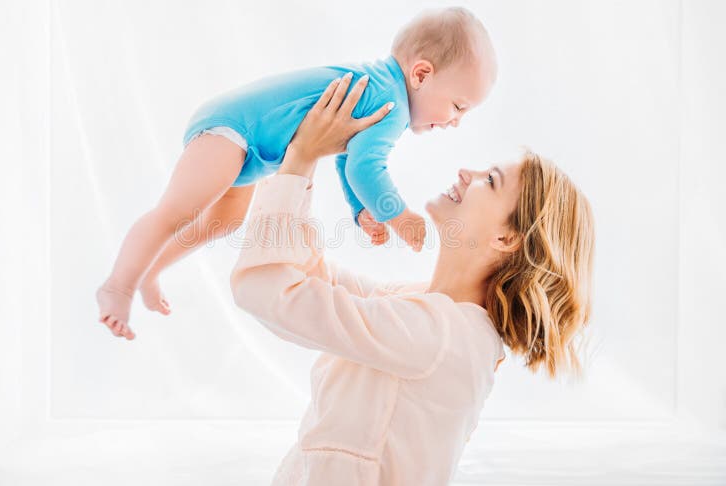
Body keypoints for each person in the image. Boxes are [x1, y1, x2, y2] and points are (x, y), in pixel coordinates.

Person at [229, 75, 595, 485]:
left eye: (490, 181)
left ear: (506, 238)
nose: (465, 173)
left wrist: (298, 160)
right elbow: (310, 277)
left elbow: (272, 294)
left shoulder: (442, 334)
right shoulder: (427, 309)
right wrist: (303, 158)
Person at [97, 7, 497, 340]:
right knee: (176, 211)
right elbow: (364, 165)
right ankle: (118, 285)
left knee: (226, 218)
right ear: (422, 74)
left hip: (249, 148)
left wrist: (360, 210)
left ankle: (150, 267)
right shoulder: (389, 103)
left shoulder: (381, 89)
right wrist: (397, 215)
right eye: (458, 107)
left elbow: (346, 156)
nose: (455, 122)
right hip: (233, 131)